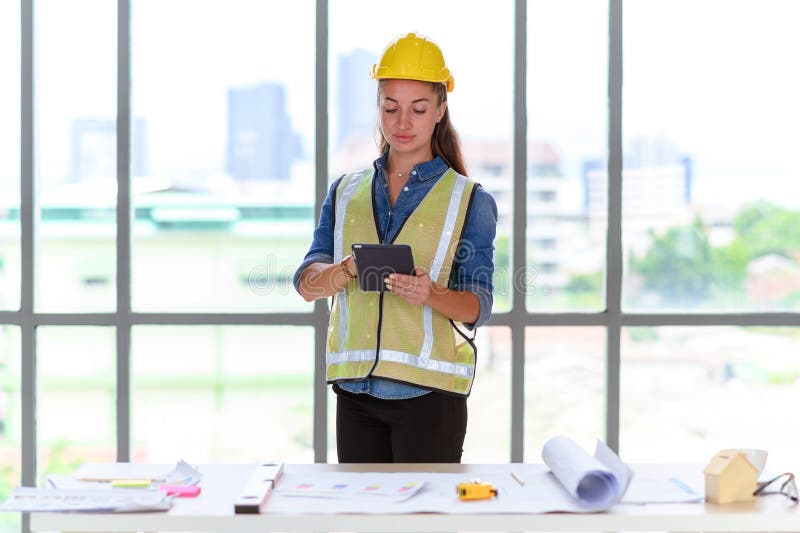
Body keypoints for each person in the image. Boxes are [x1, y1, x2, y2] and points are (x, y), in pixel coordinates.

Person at [293, 32, 497, 463]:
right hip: (355, 395)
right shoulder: (345, 191)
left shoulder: (470, 200)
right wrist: (345, 269)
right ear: (378, 107)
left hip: (429, 399)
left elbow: (479, 306)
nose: (403, 123)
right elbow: (308, 285)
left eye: (418, 109)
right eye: (391, 107)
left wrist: (430, 293)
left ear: (440, 110)